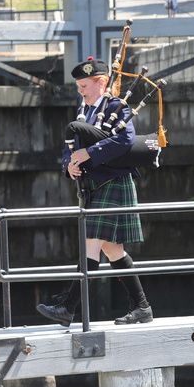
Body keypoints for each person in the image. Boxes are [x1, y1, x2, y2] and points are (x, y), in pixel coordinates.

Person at [35, 58, 154, 326]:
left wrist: (88, 152)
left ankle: (68, 307)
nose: (81, 90)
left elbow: (124, 140)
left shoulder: (116, 107)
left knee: (91, 245)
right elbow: (70, 146)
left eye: (84, 85)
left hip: (114, 183)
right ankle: (142, 307)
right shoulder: (85, 111)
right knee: (113, 251)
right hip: (93, 186)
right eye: (78, 86)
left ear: (101, 83)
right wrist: (70, 166)